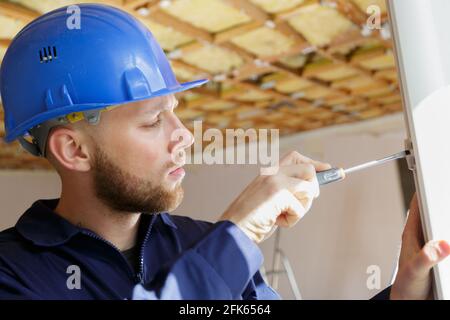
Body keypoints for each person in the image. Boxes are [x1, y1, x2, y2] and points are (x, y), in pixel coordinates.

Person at [0, 4, 447, 300]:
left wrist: (402, 292)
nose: (186, 136)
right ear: (74, 150)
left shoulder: (200, 244)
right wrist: (235, 237)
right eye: (154, 120)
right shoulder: (13, 275)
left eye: (175, 112)